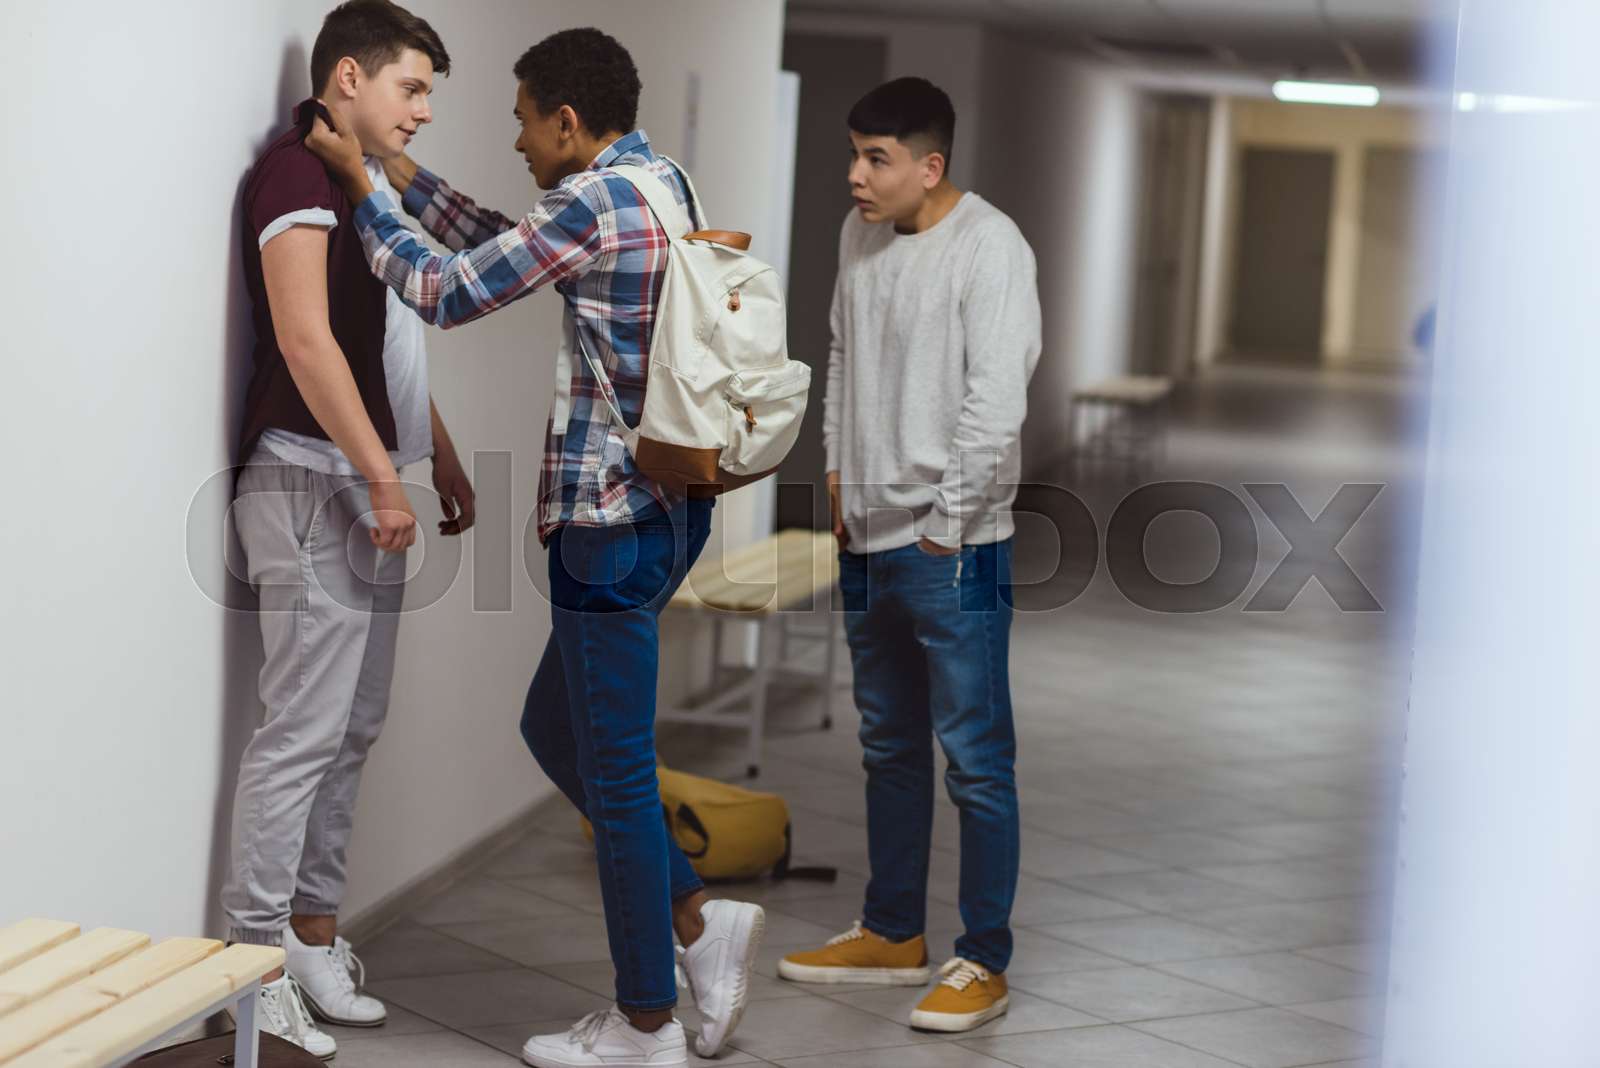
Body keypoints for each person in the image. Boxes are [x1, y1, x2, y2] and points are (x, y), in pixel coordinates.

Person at [304, 27, 762, 1067]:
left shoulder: (590, 204)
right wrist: (404, 179)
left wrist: (361, 189)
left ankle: (645, 1024)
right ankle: (697, 923)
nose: (514, 139)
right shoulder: (655, 181)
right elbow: (511, 242)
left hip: (609, 526)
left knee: (617, 771)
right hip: (670, 513)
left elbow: (445, 290)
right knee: (556, 727)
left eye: (521, 120)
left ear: (565, 119)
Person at [223, 0, 471, 1058]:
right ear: (348, 79)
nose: (423, 111)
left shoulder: (362, 186)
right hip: (307, 481)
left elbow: (383, 341)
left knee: (351, 725)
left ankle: (312, 935)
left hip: (363, 482)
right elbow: (305, 341)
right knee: (300, 733)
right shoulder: (295, 175)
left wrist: (433, 451)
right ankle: (250, 973)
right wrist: (381, 476)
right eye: (412, 87)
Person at [775, 77, 1042, 1035]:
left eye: (875, 158)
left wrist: (944, 524)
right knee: (888, 746)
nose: (855, 174)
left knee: (976, 760)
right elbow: (842, 354)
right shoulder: (861, 235)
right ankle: (892, 933)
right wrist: (836, 471)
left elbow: (995, 402)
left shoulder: (990, 247)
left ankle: (984, 960)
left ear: (930, 167)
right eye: (854, 153)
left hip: (952, 548)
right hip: (867, 538)